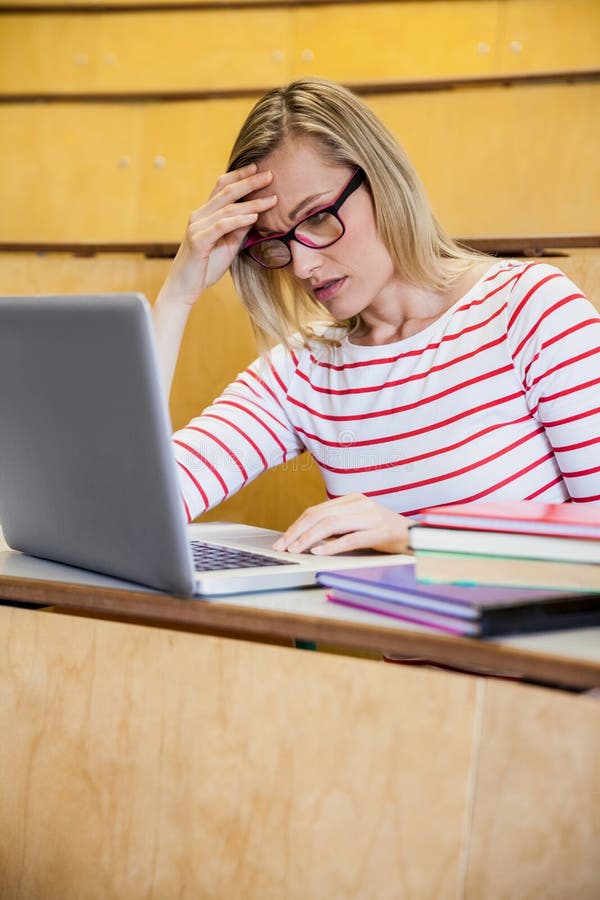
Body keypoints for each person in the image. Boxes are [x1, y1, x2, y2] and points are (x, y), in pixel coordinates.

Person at [153, 77, 600, 558]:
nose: (302, 266)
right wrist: (178, 296)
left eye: (318, 217)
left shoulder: (529, 309)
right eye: (274, 241)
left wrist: (417, 539)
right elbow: (141, 502)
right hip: (380, 634)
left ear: (382, 182)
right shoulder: (303, 369)